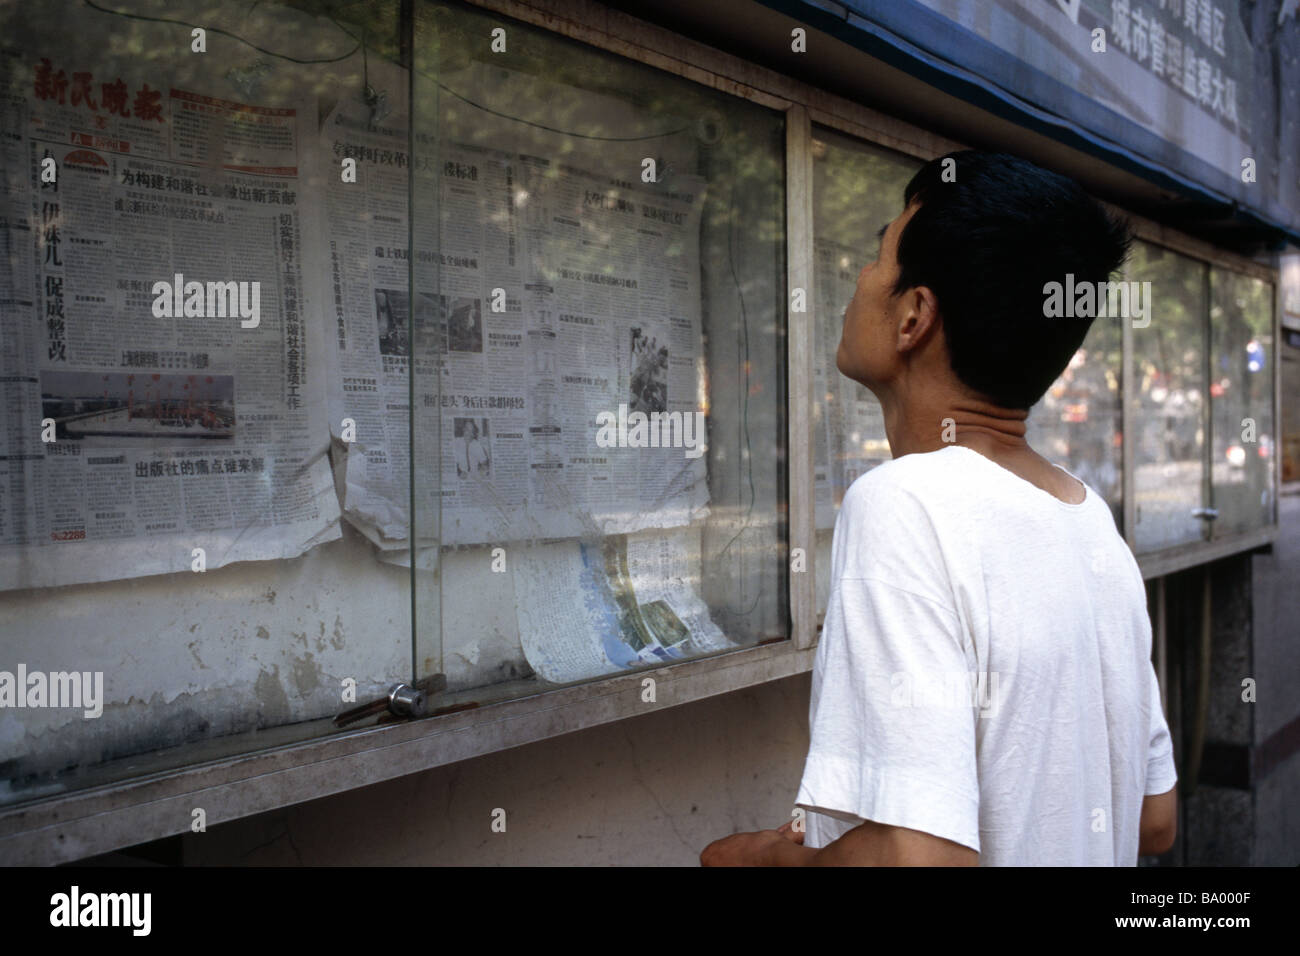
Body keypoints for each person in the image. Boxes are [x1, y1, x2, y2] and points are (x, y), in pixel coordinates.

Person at [701, 150, 1178, 866]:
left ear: (914, 316)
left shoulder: (905, 505)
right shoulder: (1089, 521)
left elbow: (919, 857)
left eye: (879, 255)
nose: (862, 278)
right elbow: (1154, 820)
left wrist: (759, 858)